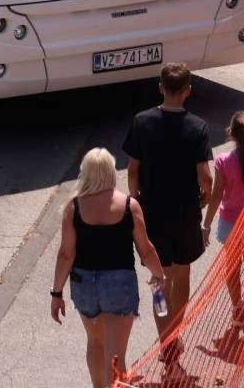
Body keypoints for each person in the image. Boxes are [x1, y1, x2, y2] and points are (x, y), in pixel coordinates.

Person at [49, 147, 164, 388]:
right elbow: (146, 250)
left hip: (84, 284)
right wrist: (158, 273)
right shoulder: (129, 206)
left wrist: (56, 293)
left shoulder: (74, 208)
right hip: (119, 284)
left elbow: (66, 254)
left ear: (86, 173)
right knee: (115, 355)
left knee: (95, 343)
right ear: (112, 172)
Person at [124, 62, 214, 349]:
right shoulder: (197, 127)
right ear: (188, 91)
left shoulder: (141, 121)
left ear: (160, 88)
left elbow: (132, 170)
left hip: (152, 214)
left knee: (159, 278)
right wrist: (206, 195)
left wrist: (136, 200)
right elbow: (205, 177)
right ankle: (176, 334)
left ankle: (165, 341)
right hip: (186, 213)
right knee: (182, 273)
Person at [203, 110, 244, 327]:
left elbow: (217, 194)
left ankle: (238, 309)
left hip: (230, 224)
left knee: (233, 268)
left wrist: (206, 224)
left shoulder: (224, 161)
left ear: (232, 134)